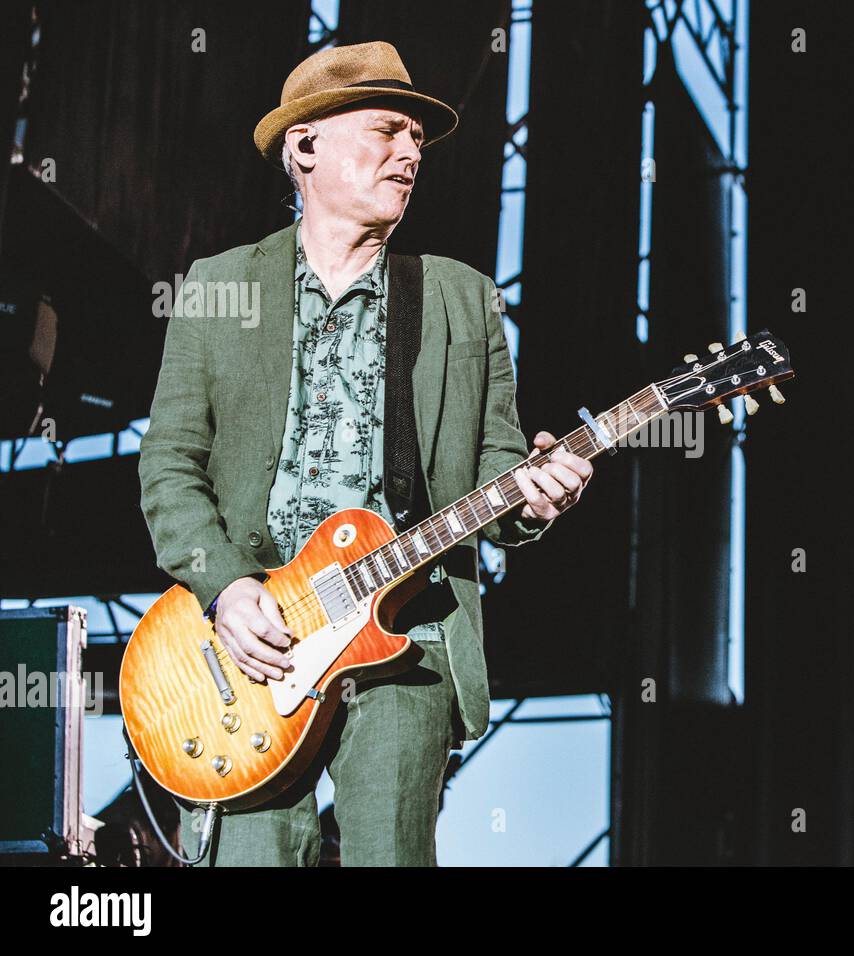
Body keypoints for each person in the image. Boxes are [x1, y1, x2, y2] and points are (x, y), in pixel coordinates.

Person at [138, 41, 593, 866]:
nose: (411, 152)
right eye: (388, 130)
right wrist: (227, 588)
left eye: (418, 139)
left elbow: (499, 467)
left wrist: (535, 498)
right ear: (305, 145)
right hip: (252, 642)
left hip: (407, 638)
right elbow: (169, 464)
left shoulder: (463, 297)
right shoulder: (216, 286)